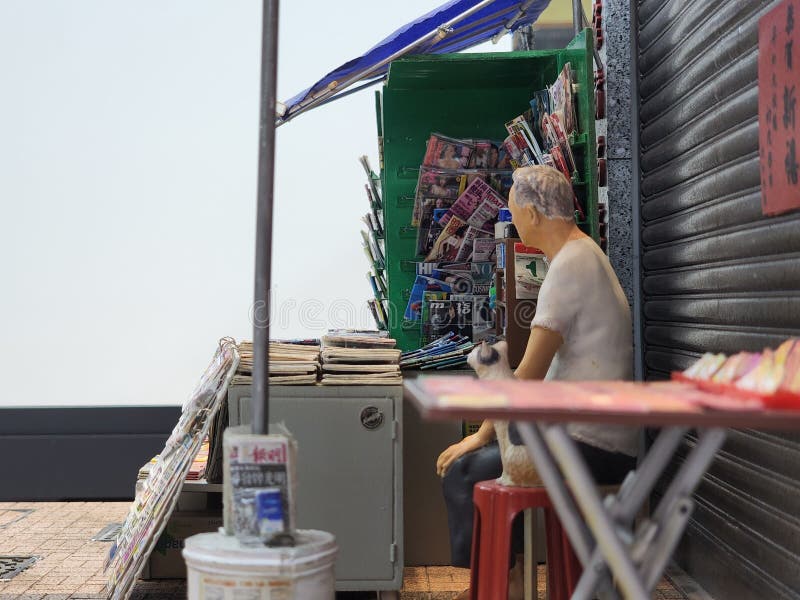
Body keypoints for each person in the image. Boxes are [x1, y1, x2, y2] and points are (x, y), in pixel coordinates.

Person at [436, 165, 638, 600]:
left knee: (464, 471)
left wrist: (478, 438)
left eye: (513, 210)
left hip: (593, 447)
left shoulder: (569, 266)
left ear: (530, 214)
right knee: (495, 457)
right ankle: (508, 578)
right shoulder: (585, 256)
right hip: (598, 438)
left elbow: (524, 378)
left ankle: (497, 585)